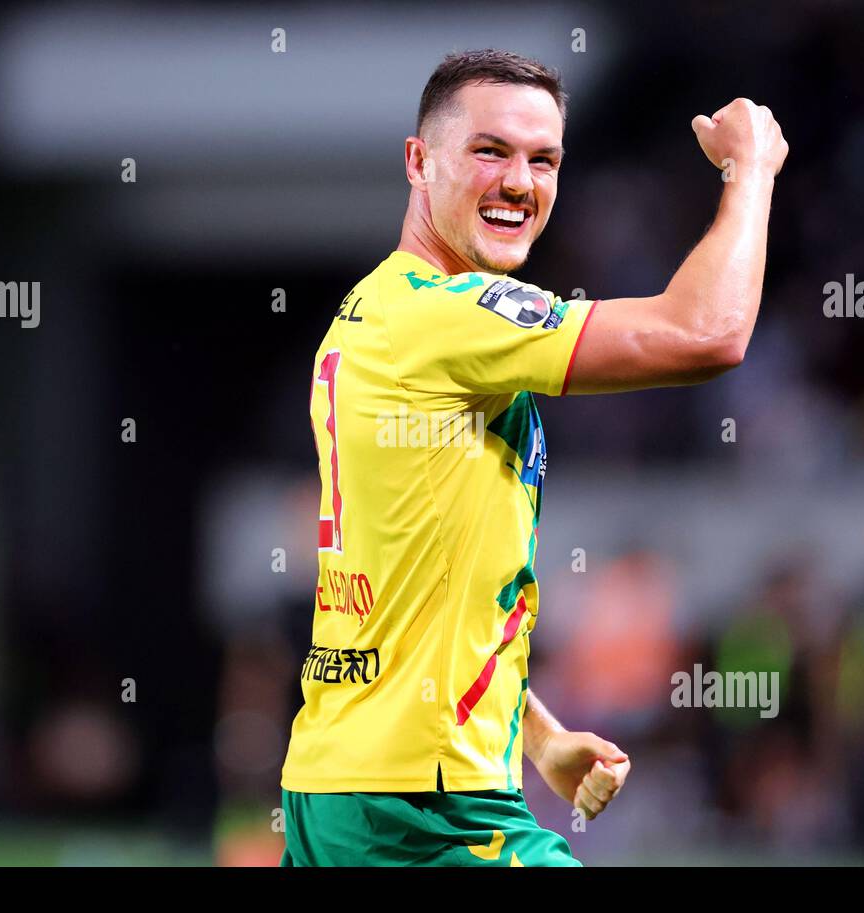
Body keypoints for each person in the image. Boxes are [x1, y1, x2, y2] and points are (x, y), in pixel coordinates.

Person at [280, 48, 788, 866]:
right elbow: (708, 334)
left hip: (349, 783)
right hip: (422, 811)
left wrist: (537, 736)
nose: (521, 181)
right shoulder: (448, 317)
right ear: (418, 161)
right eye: (491, 151)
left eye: (543, 159)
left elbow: (418, 597)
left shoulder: (373, 309)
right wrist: (753, 170)